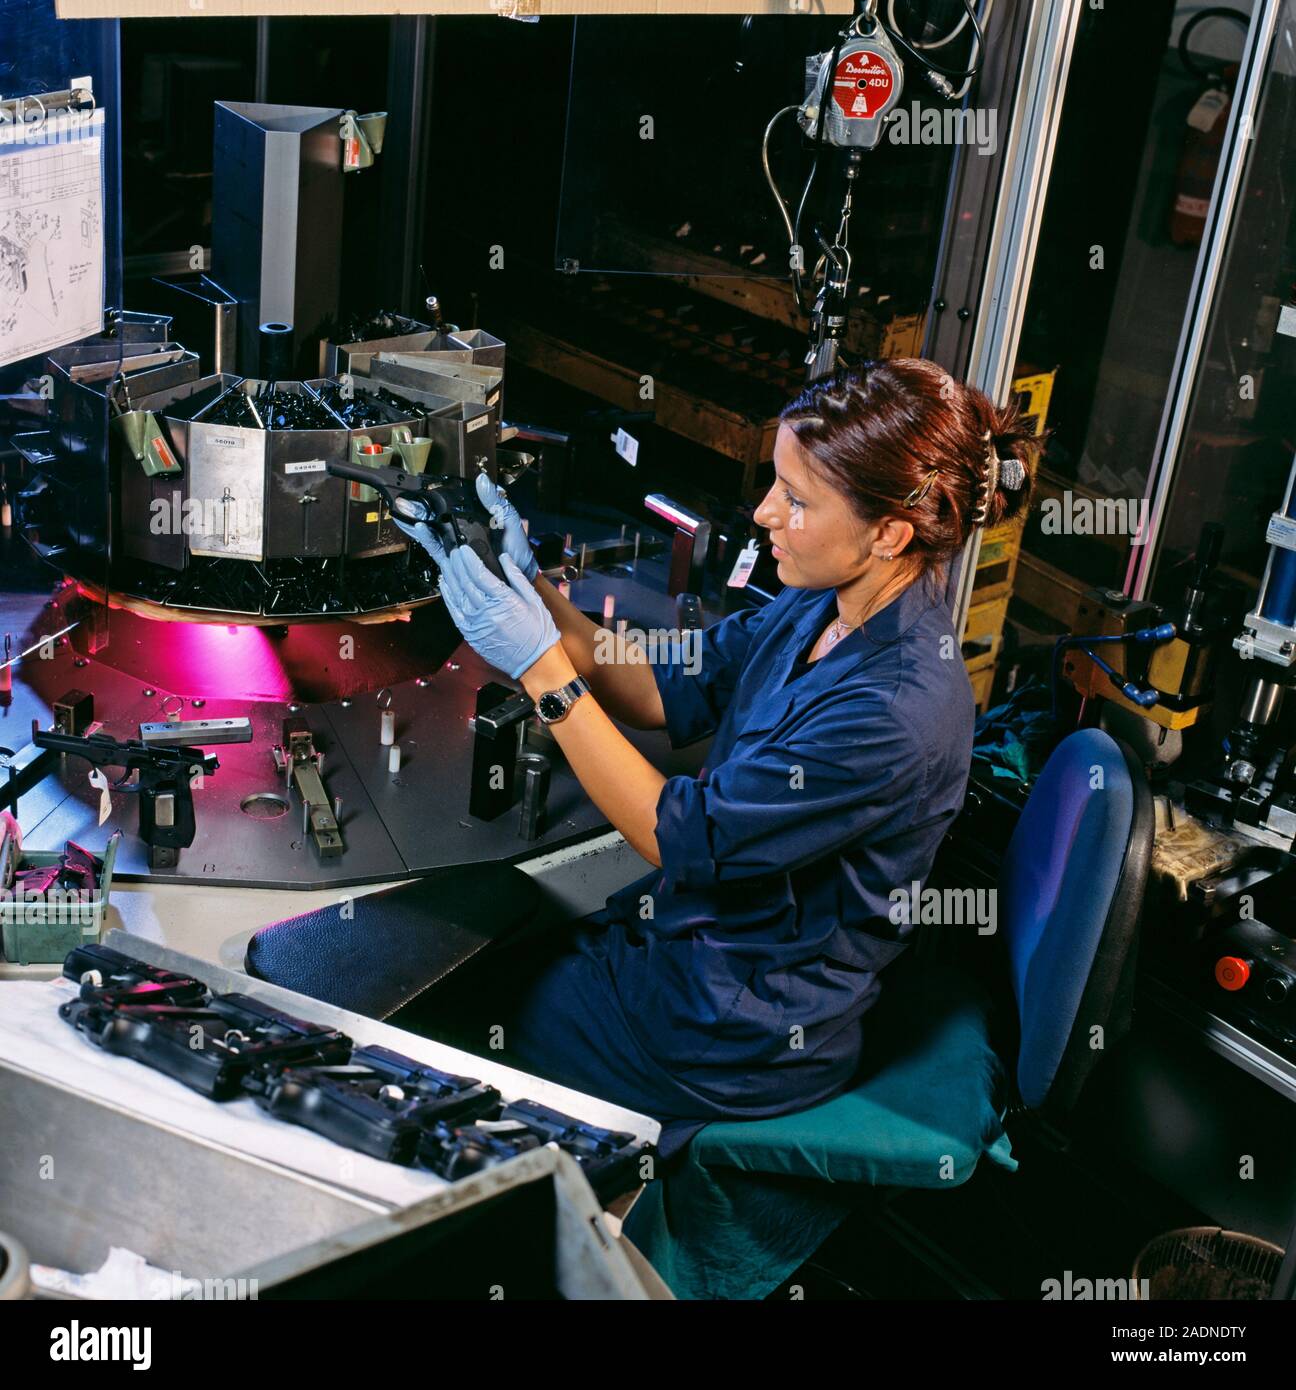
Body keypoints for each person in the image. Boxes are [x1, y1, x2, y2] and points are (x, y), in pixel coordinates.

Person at [395, 357, 1037, 1159]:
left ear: (889, 532)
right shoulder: (823, 602)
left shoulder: (895, 709)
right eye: (777, 483)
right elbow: (663, 685)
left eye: (796, 500)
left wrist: (542, 673)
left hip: (730, 1031)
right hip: (682, 960)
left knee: (445, 1029)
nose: (765, 513)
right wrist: (527, 580)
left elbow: (682, 837)